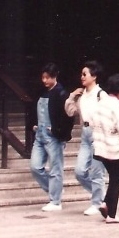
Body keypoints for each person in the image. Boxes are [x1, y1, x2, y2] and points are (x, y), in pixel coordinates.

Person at [91, 73, 119, 223]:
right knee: (117, 180)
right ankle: (111, 214)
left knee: (114, 179)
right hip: (116, 149)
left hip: (101, 147)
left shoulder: (100, 104)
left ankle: (106, 204)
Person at [28, 62, 72, 212]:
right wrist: (33, 125)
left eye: (48, 77)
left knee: (55, 168)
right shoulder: (41, 91)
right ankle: (56, 190)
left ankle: (55, 201)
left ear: (55, 76)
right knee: (35, 167)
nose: (45, 80)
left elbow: (68, 117)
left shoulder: (62, 93)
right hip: (40, 134)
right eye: (43, 77)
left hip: (53, 136)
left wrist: (59, 132)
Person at [64, 60, 107, 216]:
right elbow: (70, 112)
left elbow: (108, 114)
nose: (82, 77)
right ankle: (101, 197)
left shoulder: (101, 95)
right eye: (81, 74)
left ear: (94, 76)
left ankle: (97, 203)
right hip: (85, 133)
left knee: (97, 172)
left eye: (85, 74)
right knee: (79, 171)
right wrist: (72, 96)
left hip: (98, 133)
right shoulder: (81, 95)